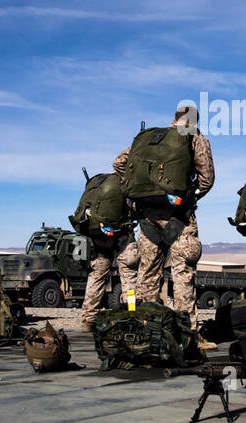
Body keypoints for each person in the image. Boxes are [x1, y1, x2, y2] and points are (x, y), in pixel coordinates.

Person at [114, 104, 215, 346]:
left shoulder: (148, 138)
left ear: (175, 119)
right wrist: (188, 196)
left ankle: (146, 333)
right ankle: (188, 337)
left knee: (147, 276)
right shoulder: (194, 137)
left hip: (147, 219)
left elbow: (118, 163)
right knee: (182, 276)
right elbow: (207, 179)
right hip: (179, 217)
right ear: (192, 121)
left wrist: (141, 194)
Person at [80, 220, 139, 333]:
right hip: (124, 242)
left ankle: (88, 321)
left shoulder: (92, 202)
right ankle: (131, 316)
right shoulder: (124, 201)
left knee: (95, 282)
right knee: (129, 283)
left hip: (100, 243)